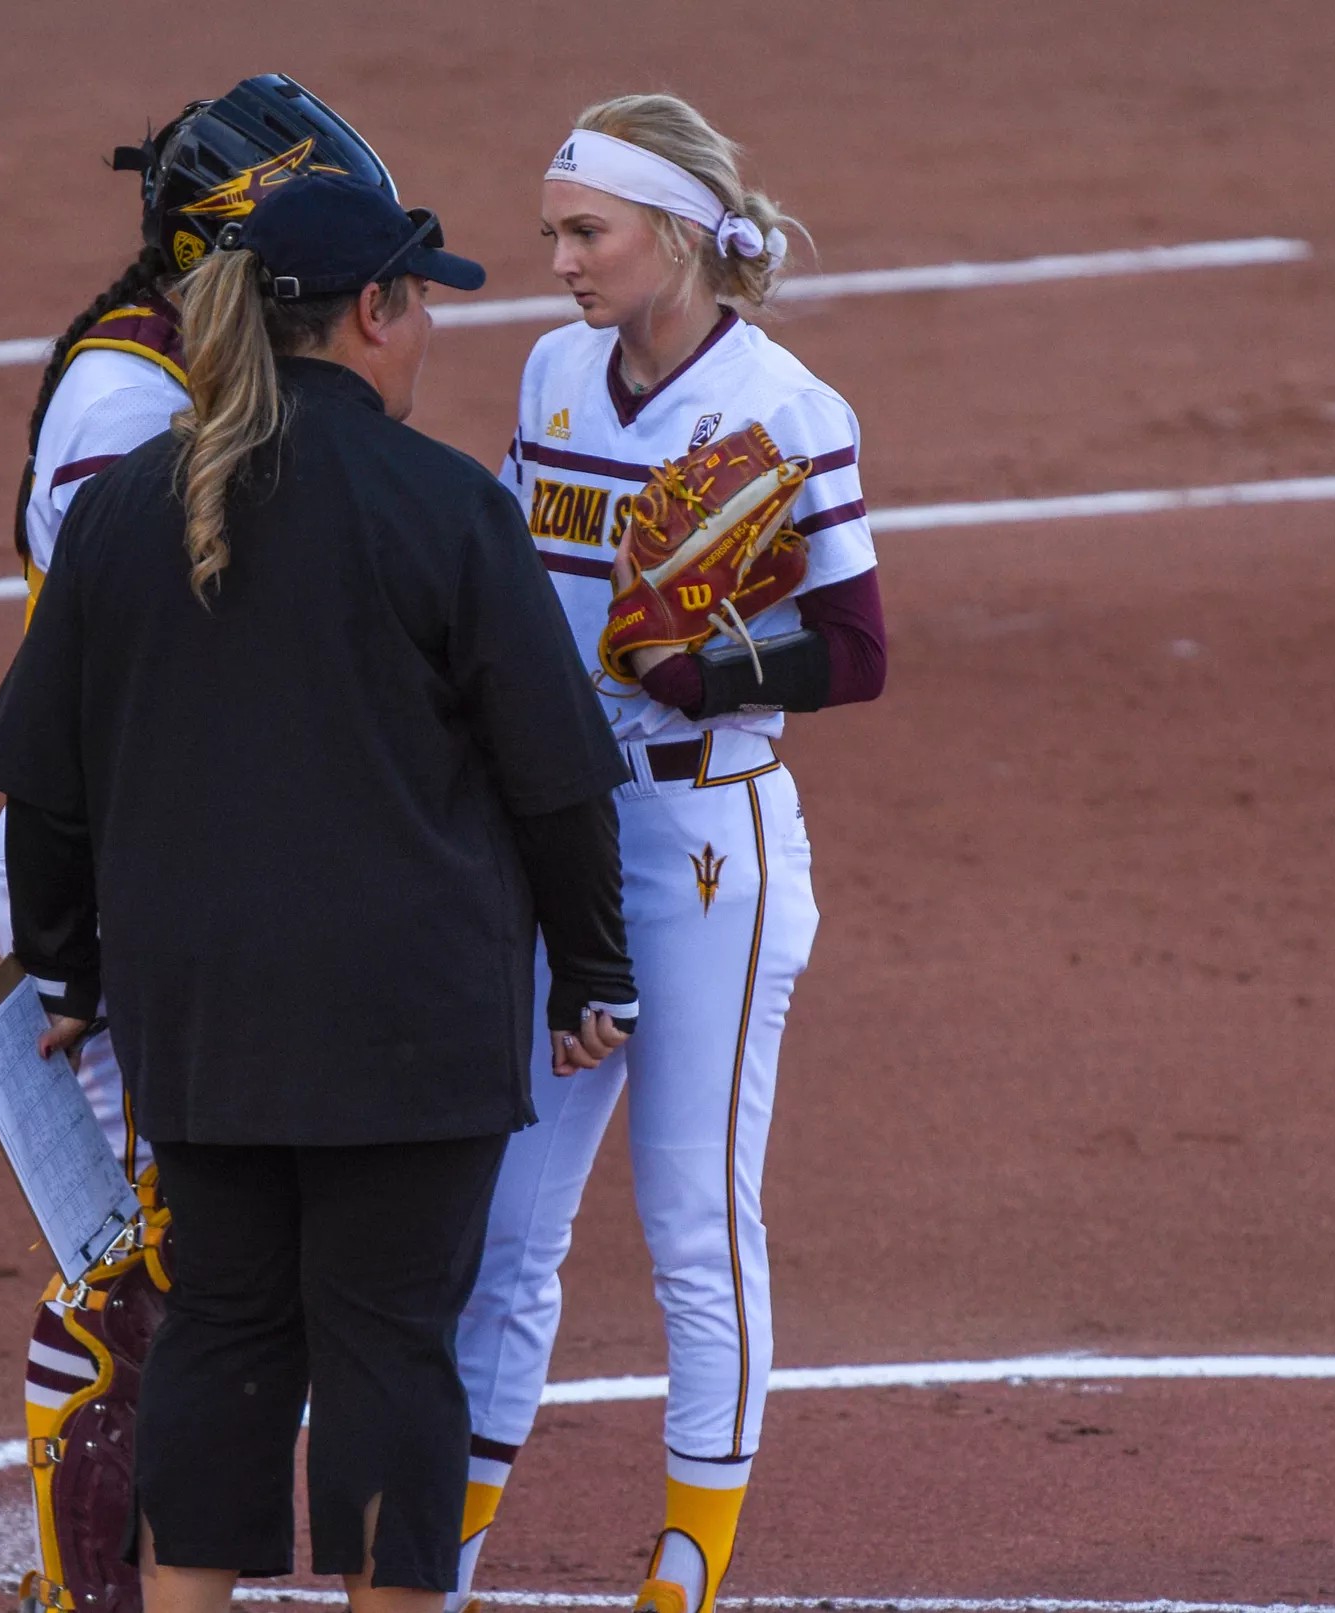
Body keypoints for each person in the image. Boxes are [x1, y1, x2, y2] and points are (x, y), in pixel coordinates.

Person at [0, 173, 641, 1613]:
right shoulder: (446, 505)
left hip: (201, 1022)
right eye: (419, 305)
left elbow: (43, 781)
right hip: (411, 1026)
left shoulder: (134, 505)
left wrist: (70, 972)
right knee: (396, 1342)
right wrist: (593, 973)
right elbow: (559, 778)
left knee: (220, 1330)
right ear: (374, 314)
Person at [448, 94, 889, 1613]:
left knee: (693, 1213)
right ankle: (437, 1554)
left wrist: (708, 675)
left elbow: (857, 651)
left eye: (588, 232)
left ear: (681, 233)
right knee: (505, 1215)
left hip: (709, 838)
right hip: (557, 834)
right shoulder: (554, 372)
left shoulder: (786, 407)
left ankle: (687, 1570)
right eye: (554, 233)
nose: (560, 261)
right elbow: (512, 582)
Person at [0, 76, 402, 1613]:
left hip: (175, 861)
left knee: (202, 1259)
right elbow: (130, 672)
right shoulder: (127, 401)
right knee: (157, 1270)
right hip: (112, 867)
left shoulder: (197, 367)